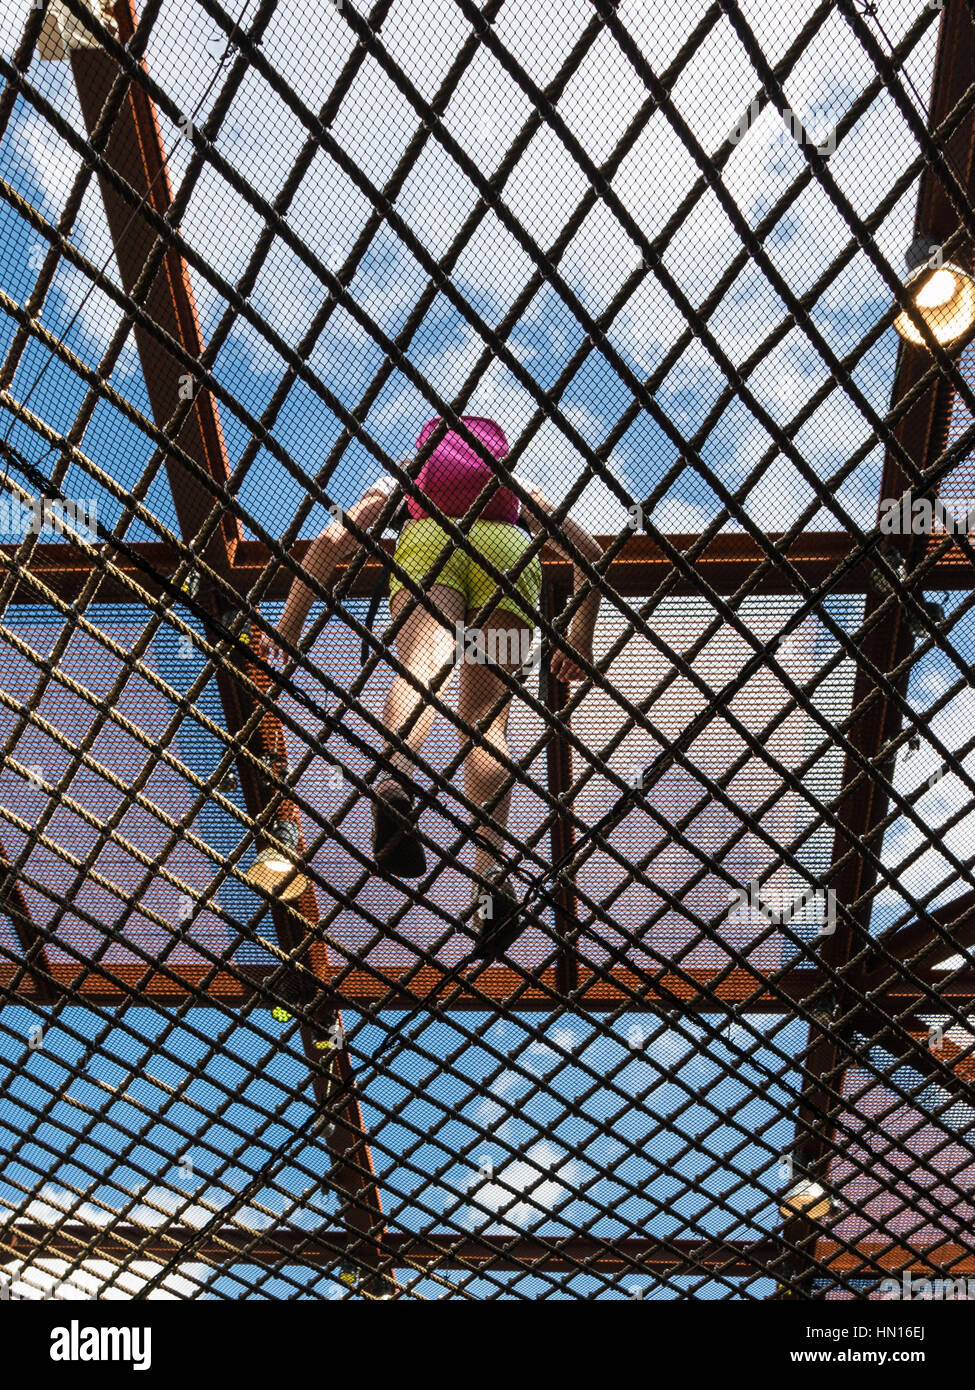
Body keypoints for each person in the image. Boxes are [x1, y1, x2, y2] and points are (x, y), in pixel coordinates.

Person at [270, 416, 603, 957]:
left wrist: (288, 628)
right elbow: (591, 557)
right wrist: (577, 637)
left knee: (419, 669)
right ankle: (489, 877)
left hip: (429, 543)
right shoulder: (514, 486)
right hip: (508, 556)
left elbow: (334, 537)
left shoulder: (407, 480)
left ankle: (394, 789)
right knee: (487, 722)